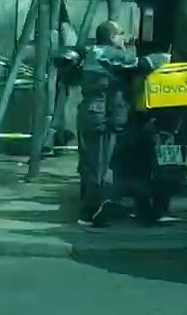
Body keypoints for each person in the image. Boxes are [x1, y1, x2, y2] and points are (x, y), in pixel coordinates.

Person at [57, 19, 158, 227]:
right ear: (112, 37)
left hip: (88, 113)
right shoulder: (107, 53)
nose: (125, 38)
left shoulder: (89, 53)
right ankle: (91, 213)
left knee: (90, 164)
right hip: (102, 117)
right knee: (100, 166)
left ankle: (90, 209)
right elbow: (141, 63)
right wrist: (164, 58)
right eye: (121, 34)